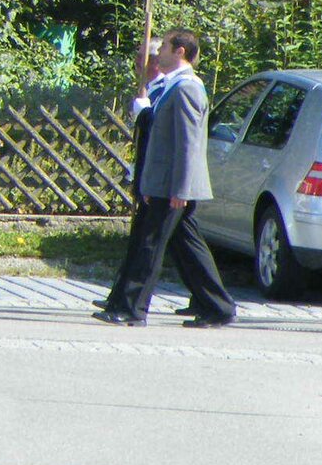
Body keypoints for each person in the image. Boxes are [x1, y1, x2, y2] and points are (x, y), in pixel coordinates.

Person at [99, 29, 237, 328]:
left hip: (172, 184)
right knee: (186, 245)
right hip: (164, 181)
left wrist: (181, 188)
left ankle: (132, 308)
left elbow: (188, 144)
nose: (157, 53)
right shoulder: (174, 85)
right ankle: (217, 305)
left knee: (151, 244)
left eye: (163, 47)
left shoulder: (187, 88)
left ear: (180, 52)